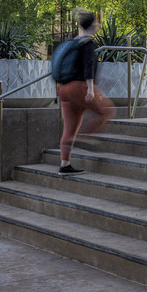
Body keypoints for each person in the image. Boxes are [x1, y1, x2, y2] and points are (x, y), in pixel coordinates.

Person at [52, 10, 116, 175]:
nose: (98, 25)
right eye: (97, 23)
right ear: (93, 25)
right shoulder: (88, 42)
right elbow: (88, 65)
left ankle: (65, 164)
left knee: (70, 128)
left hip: (63, 89)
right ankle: (84, 137)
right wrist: (90, 88)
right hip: (78, 87)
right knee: (107, 111)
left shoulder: (73, 42)